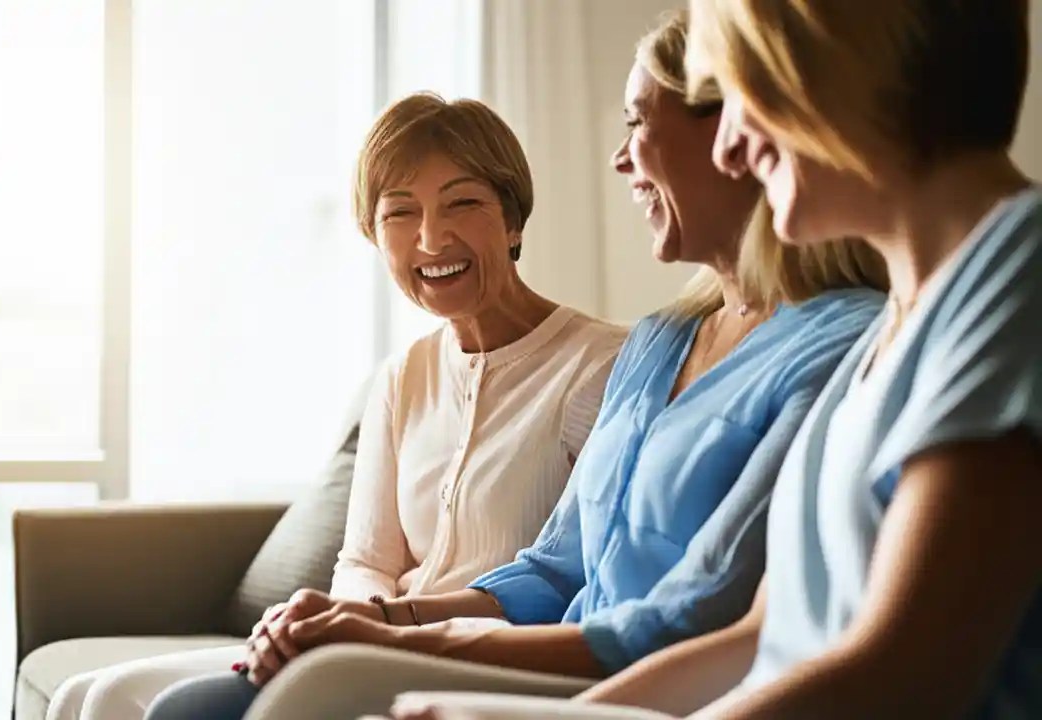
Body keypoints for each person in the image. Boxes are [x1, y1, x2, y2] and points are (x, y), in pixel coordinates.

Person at [142, 10, 888, 720]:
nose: (619, 156)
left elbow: (703, 611)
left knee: (201, 709)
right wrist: (372, 616)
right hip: (542, 660)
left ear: (738, 133)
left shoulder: (837, 344)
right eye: (399, 213)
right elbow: (556, 569)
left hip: (616, 686)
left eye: (636, 120)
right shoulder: (661, 338)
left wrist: (401, 639)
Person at [403, 1, 1042, 718]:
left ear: (834, 73)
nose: (733, 150)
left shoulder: (1017, 280)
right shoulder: (896, 328)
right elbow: (757, 639)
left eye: (745, 97)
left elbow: (903, 674)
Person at [40, 93, 628, 720]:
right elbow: (366, 561)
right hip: (375, 642)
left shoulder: (600, 367)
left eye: (462, 203)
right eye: (400, 213)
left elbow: (582, 577)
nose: (432, 238)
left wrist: (371, 633)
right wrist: (345, 624)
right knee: (97, 695)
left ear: (513, 221)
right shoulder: (404, 377)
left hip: (480, 658)